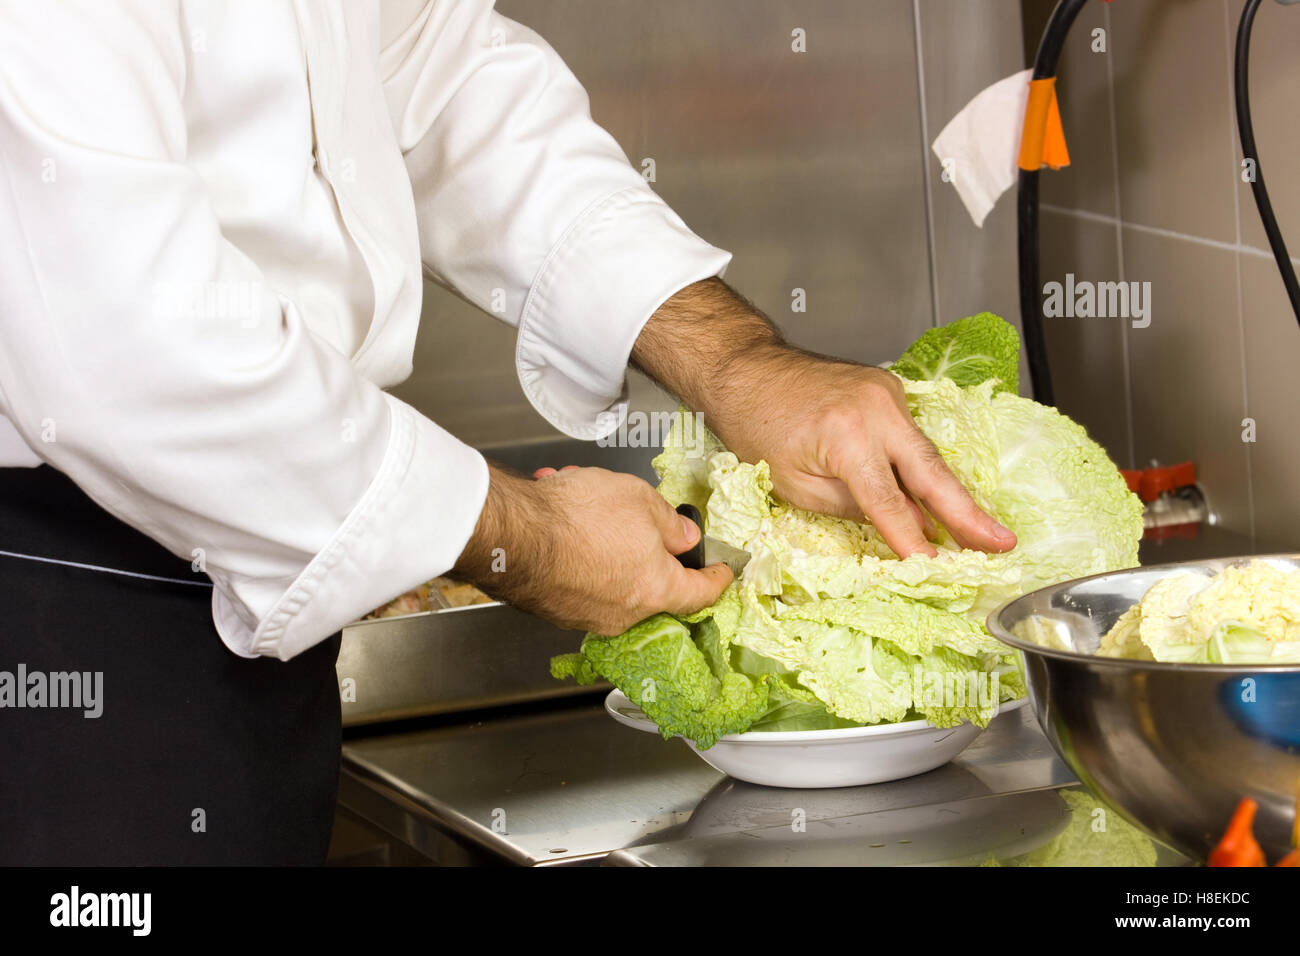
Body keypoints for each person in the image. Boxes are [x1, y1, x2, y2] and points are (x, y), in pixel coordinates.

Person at [0, 0, 1015, 865]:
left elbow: (441, 83)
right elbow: (128, 336)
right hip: (59, 604)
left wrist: (736, 363)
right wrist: (525, 533)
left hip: (255, 616)